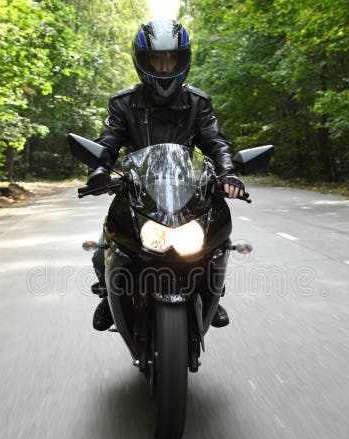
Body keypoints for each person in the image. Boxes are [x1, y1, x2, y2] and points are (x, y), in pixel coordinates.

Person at [85, 19, 246, 331]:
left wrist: (227, 173)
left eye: (171, 58)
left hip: (187, 190)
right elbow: (108, 143)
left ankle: (211, 293)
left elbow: (216, 142)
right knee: (105, 245)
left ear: (182, 59)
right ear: (143, 61)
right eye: (157, 59)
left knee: (215, 241)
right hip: (136, 190)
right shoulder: (124, 103)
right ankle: (109, 295)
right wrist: (100, 170)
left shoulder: (197, 102)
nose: (164, 66)